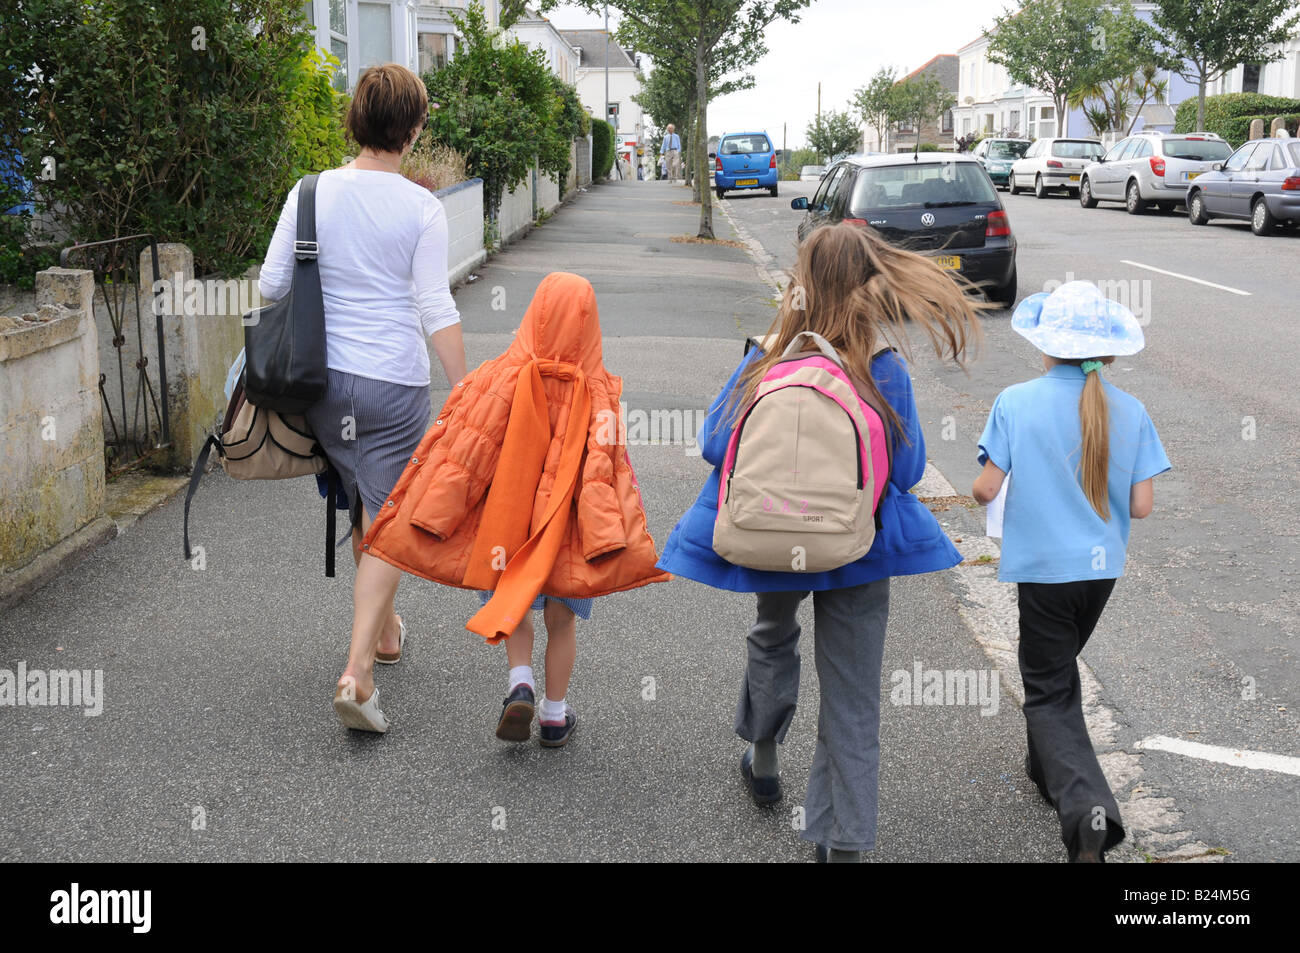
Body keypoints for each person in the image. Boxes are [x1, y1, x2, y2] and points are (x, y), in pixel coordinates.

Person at [657, 223, 986, 861]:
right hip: (858, 548)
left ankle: (764, 754)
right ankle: (844, 844)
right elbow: (910, 470)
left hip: (772, 537)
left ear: (801, 282)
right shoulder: (884, 370)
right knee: (853, 698)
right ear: (870, 284)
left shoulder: (767, 358)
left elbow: (713, 447)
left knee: (773, 635)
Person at [361, 272, 670, 744]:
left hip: (506, 531)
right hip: (564, 535)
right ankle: (553, 713)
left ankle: (519, 682)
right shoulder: (600, 391)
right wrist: (609, 534)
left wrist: (435, 512)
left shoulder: (497, 375)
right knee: (562, 620)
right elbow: (604, 471)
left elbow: (466, 452)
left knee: (517, 603)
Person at [258, 63, 467, 733]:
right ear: (411, 131)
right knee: (386, 520)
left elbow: (270, 286)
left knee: (361, 502)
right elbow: (434, 304)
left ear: (356, 119)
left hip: (321, 385)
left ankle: (384, 632)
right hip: (393, 386)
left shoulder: (310, 193)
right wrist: (466, 389)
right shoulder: (420, 207)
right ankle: (358, 672)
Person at [972, 280, 1170, 862]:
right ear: (1107, 350)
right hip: (1099, 573)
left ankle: (1089, 814)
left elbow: (987, 488)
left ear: (1045, 343)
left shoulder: (1015, 401)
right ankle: (1044, 768)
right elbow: (1140, 506)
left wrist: (986, 487)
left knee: (1048, 688)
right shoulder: (1131, 411)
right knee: (1056, 672)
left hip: (1042, 573)